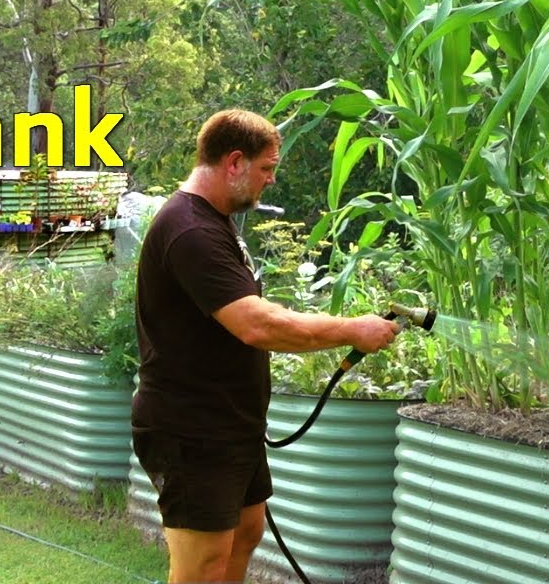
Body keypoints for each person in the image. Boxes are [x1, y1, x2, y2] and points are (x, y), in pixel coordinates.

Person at [132, 110, 399, 583]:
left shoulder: (215, 222)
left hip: (230, 423)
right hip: (191, 428)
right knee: (203, 565)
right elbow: (257, 325)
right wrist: (351, 329)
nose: (271, 179)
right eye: (266, 168)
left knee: (244, 536)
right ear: (234, 162)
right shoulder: (191, 231)